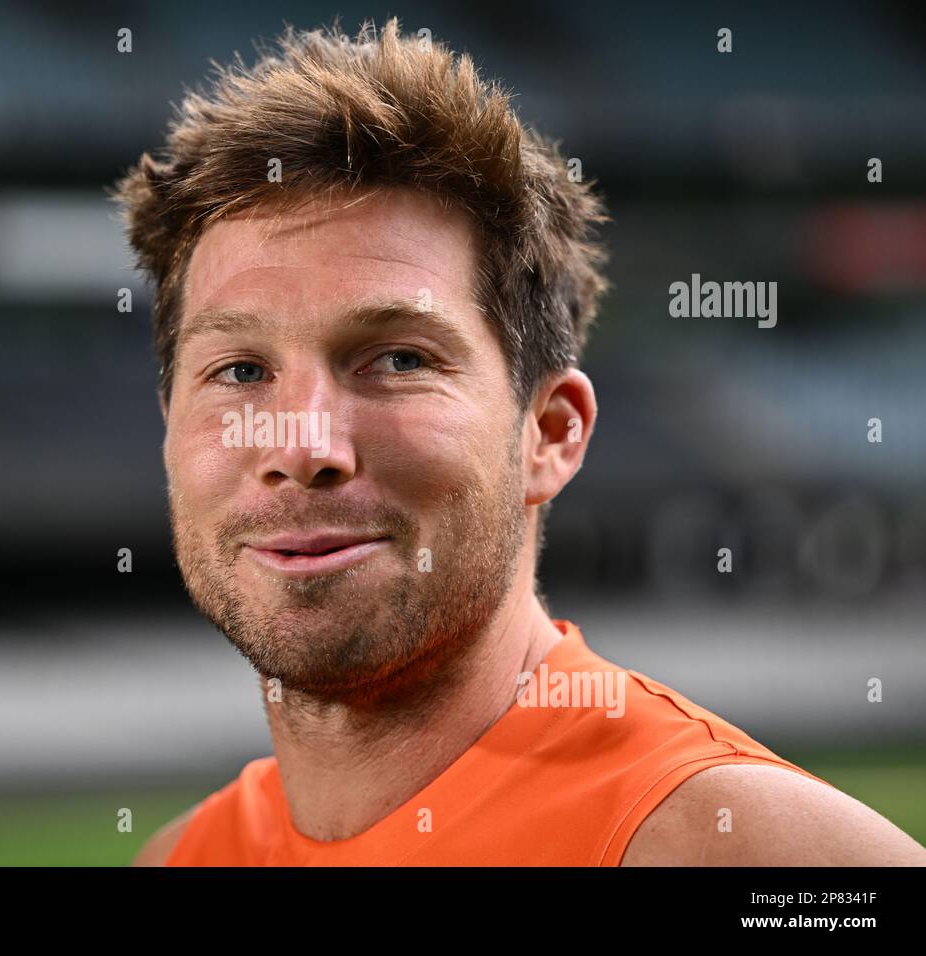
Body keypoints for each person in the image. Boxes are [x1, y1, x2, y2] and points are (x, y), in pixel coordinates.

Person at [111, 17, 926, 866]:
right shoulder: (181, 857)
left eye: (397, 358)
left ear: (549, 433)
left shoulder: (758, 856)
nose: (303, 442)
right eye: (241, 371)